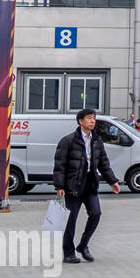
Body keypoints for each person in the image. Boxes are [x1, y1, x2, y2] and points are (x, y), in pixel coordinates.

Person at [53, 108, 122, 264]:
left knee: (96, 214)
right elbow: (59, 165)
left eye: (94, 118)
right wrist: (59, 186)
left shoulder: (97, 141)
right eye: (89, 118)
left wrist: (112, 181)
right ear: (80, 121)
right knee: (71, 220)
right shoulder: (68, 140)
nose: (93, 121)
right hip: (73, 186)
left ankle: (83, 245)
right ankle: (68, 253)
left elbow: (104, 164)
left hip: (90, 184)